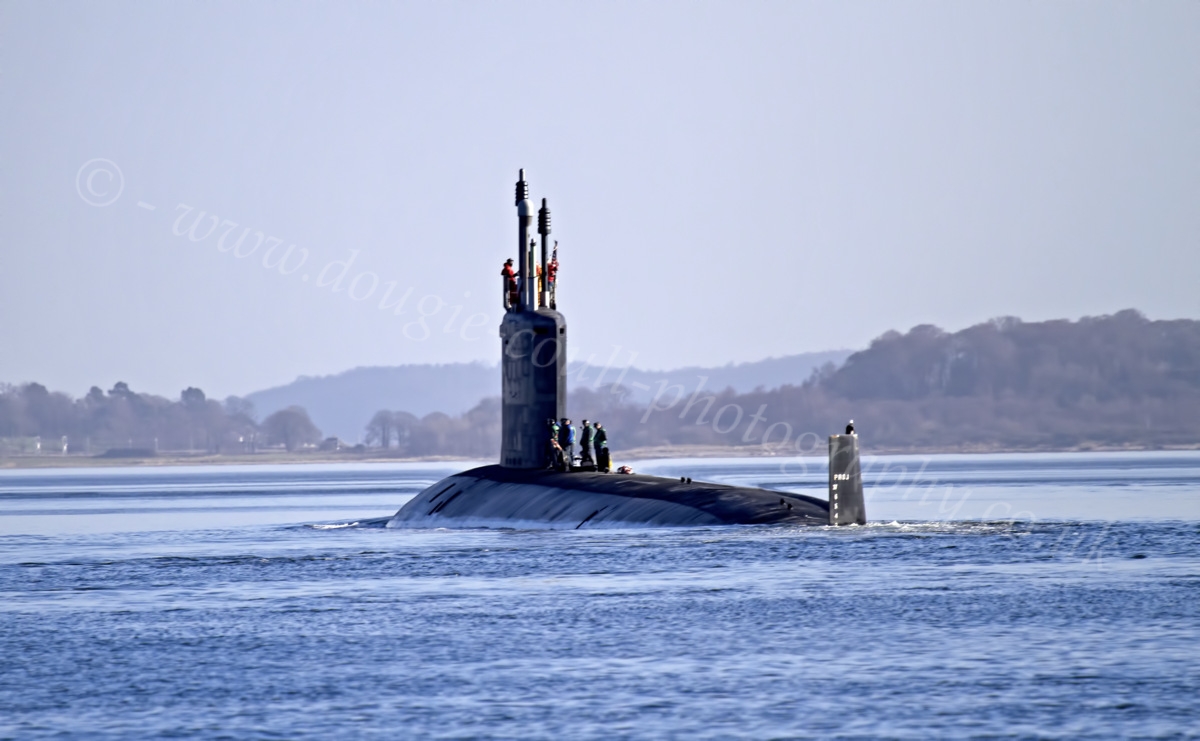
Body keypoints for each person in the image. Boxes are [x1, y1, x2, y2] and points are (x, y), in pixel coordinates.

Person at [547, 241, 559, 309]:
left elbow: (556, 267)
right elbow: (555, 268)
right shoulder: (550, 266)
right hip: (550, 281)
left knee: (552, 293)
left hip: (551, 281)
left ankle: (551, 303)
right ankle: (550, 302)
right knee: (550, 293)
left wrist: (555, 248)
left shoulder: (550, 265)